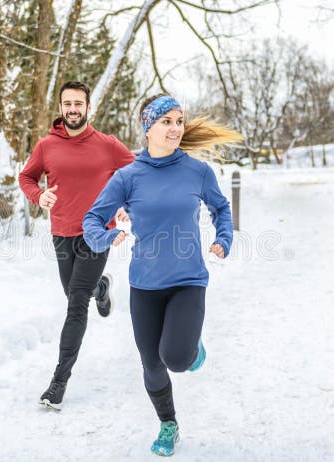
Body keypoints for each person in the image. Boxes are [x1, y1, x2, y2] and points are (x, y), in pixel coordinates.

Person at [82, 94, 240, 456]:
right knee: (152, 364)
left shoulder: (197, 171)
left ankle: (189, 350)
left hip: (188, 280)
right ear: (148, 127)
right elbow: (90, 221)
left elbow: (220, 208)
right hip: (145, 285)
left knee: (177, 358)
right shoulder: (128, 177)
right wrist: (108, 235)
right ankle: (168, 424)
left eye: (179, 121)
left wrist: (224, 238)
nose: (175, 128)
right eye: (167, 121)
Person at [19, 81, 135, 411]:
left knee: (75, 305)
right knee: (73, 292)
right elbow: (26, 177)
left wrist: (127, 199)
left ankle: (58, 382)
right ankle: (101, 288)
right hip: (62, 230)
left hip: (98, 232)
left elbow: (138, 172)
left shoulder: (108, 145)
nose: (73, 109)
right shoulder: (46, 146)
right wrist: (39, 196)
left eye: (78, 103)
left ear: (88, 108)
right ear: (61, 107)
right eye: (67, 103)